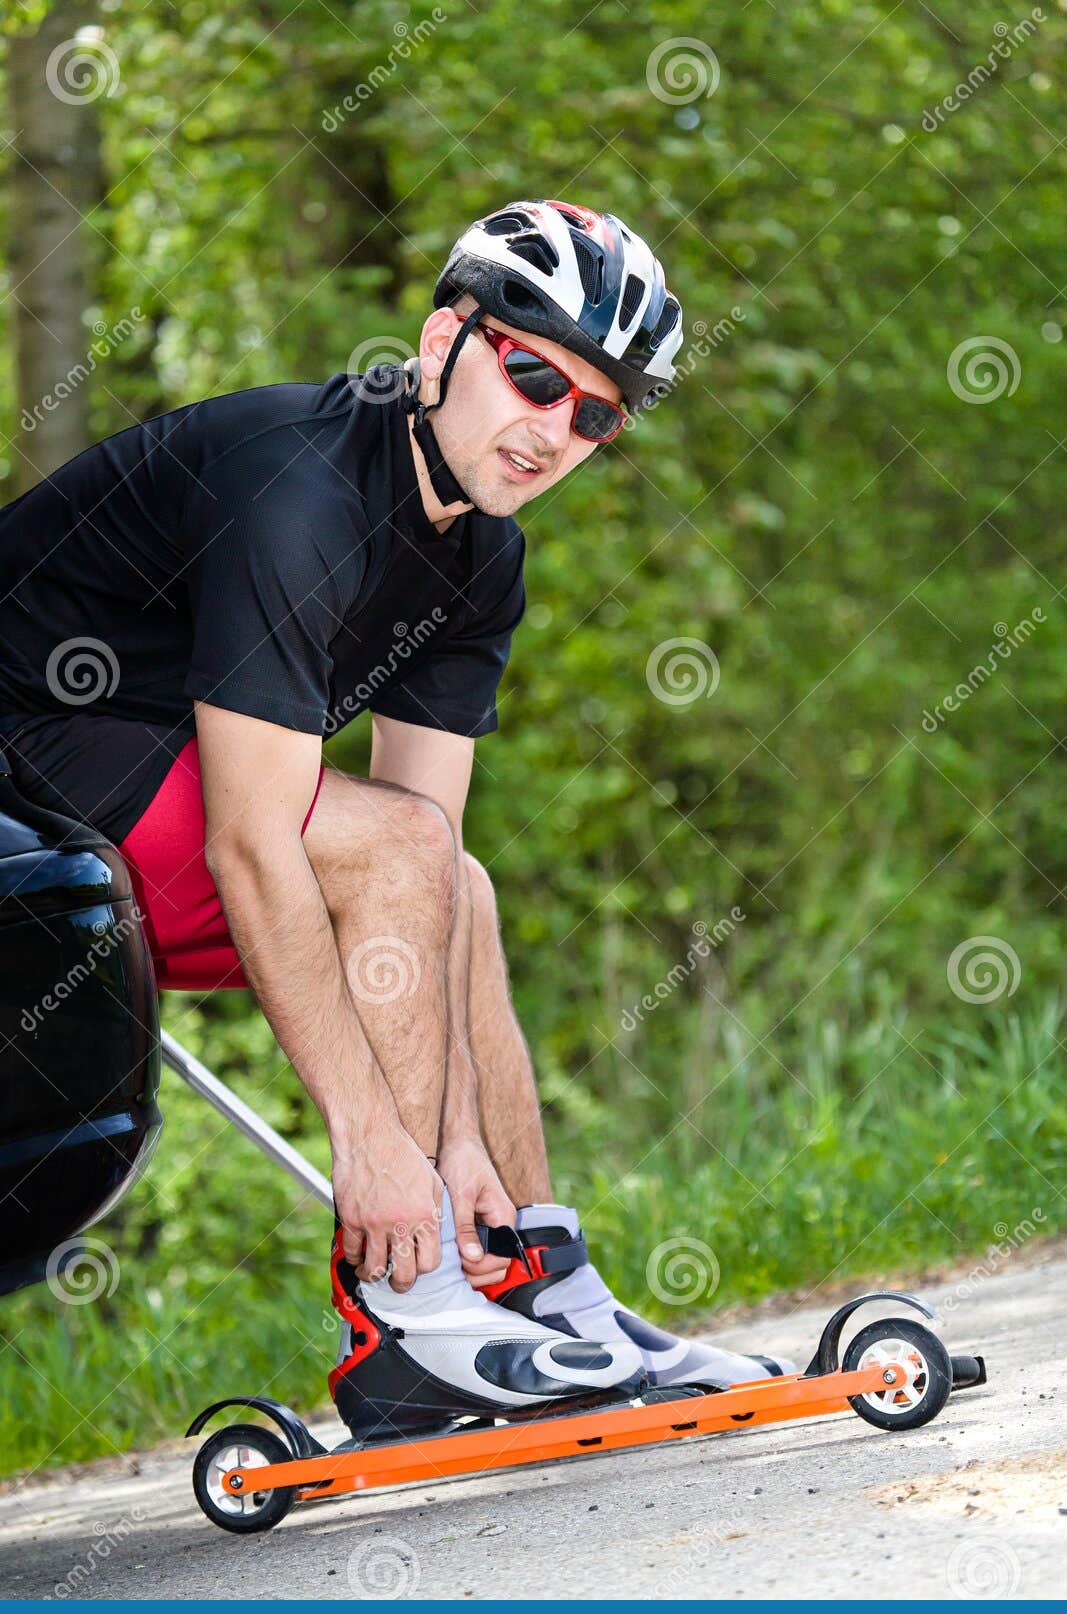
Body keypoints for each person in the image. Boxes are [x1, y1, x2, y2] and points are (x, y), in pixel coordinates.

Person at [0, 198, 791, 1443]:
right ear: (440, 345)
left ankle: (517, 1273)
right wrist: (375, 1146)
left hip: (153, 781)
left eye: (596, 414)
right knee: (395, 854)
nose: (554, 431)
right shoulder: (299, 490)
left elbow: (426, 867)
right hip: (26, 787)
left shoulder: (484, 558)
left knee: (451, 876)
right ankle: (400, 1312)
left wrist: (460, 1144)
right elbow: (255, 847)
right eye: (533, 377)